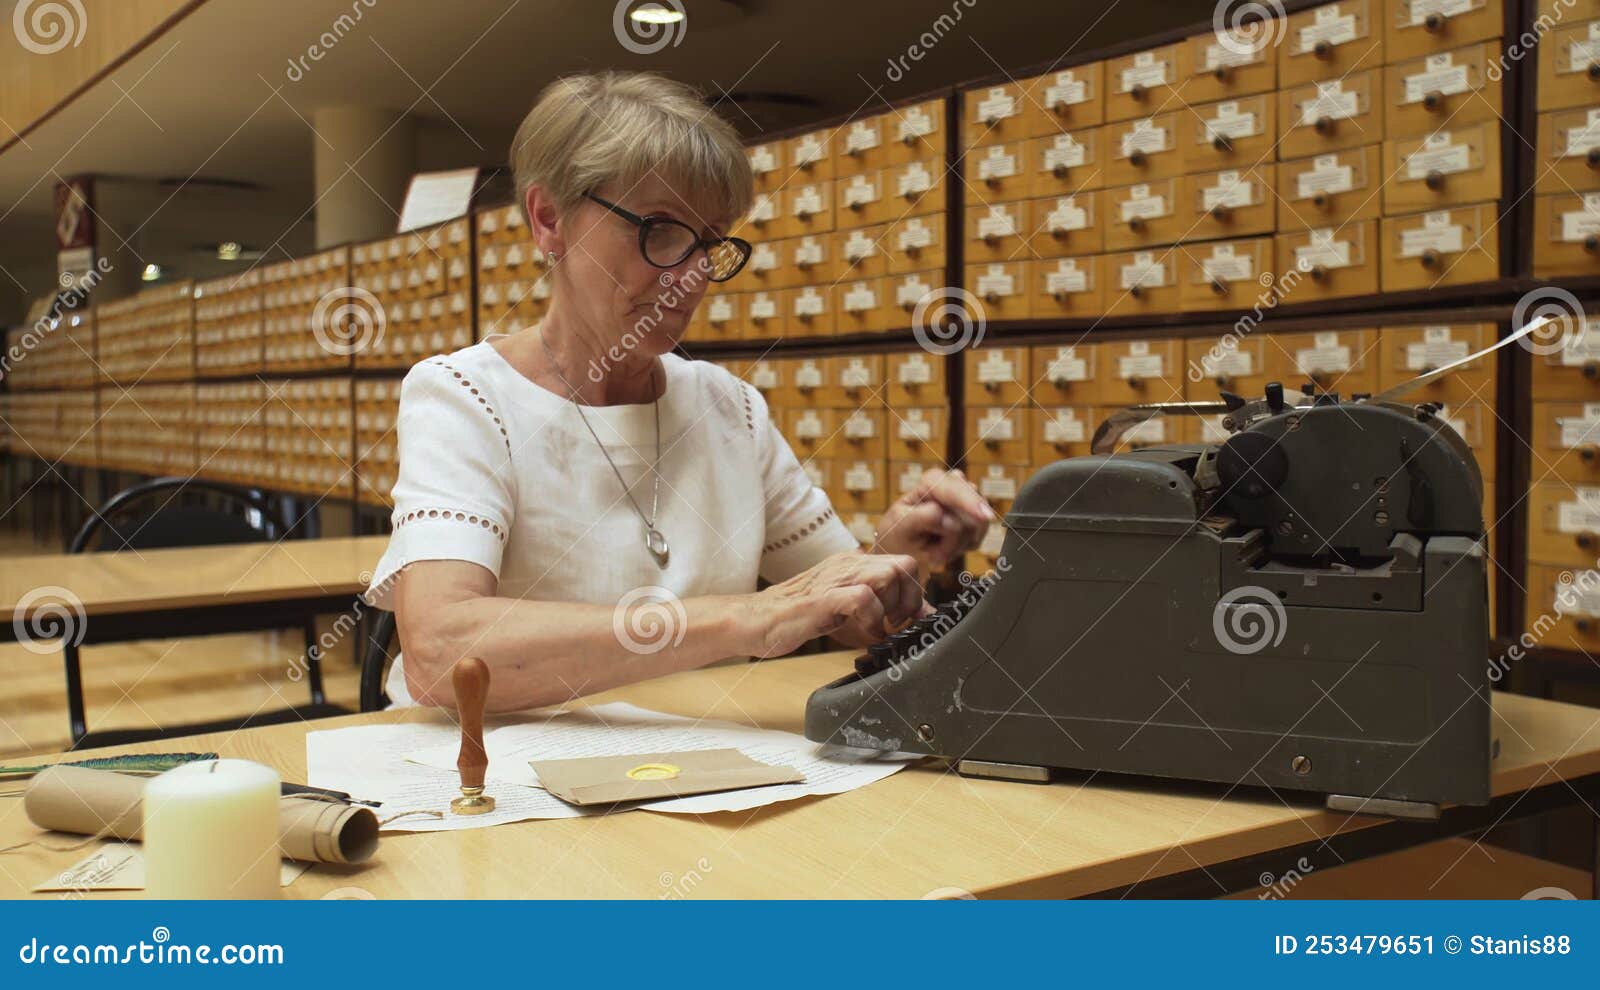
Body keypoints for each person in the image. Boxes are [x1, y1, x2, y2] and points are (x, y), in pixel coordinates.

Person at [362, 71, 991, 712]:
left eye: (710, 242)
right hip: (490, 780)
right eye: (659, 229)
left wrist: (891, 556)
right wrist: (746, 619)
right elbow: (442, 654)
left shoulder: (729, 408)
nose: (691, 277)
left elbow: (837, 614)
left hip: (683, 769)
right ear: (549, 219)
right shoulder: (465, 396)